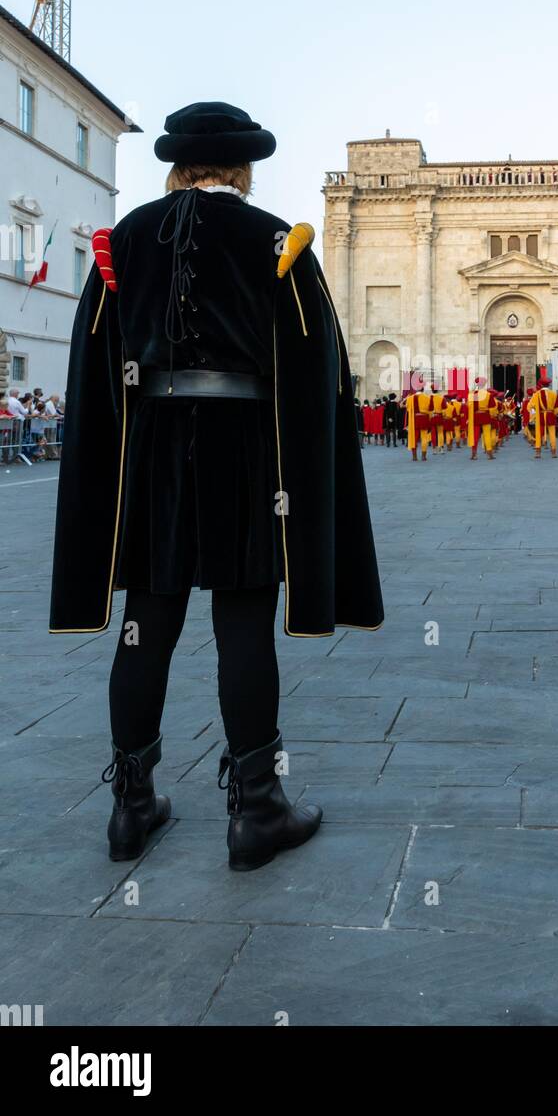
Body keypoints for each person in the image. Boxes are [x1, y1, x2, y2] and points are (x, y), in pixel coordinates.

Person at [50, 101, 383, 872]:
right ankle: (257, 811)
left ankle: (130, 808)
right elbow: (317, 368)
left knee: (146, 624)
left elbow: (96, 364)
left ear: (175, 167)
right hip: (247, 455)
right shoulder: (277, 241)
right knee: (243, 625)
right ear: (244, 168)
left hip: (153, 455)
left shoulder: (122, 241)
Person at [527, 384, 558, 458]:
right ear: (549, 385)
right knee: (552, 434)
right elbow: (557, 407)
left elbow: (529, 406)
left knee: (538, 433)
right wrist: (553, 413)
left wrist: (534, 414)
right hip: (550, 415)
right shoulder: (554, 394)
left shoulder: (536, 394)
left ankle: (538, 452)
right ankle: (553, 452)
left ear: (541, 385)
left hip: (540, 415)